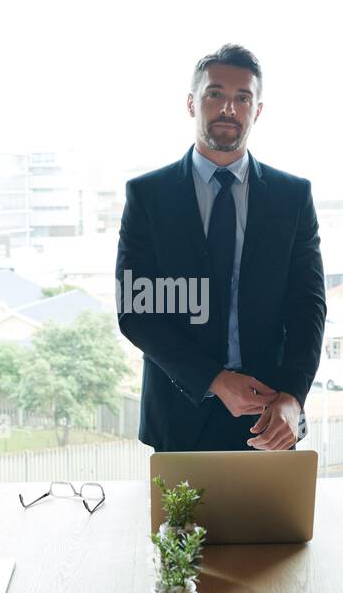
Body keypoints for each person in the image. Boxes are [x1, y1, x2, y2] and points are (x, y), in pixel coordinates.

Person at [116, 44, 326, 452]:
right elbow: (137, 313)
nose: (228, 108)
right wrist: (214, 379)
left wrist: (292, 397)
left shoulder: (292, 197)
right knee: (176, 522)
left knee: (275, 520)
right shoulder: (148, 196)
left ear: (257, 110)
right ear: (192, 103)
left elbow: (308, 307)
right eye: (215, 94)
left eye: (242, 97)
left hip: (270, 419)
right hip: (180, 418)